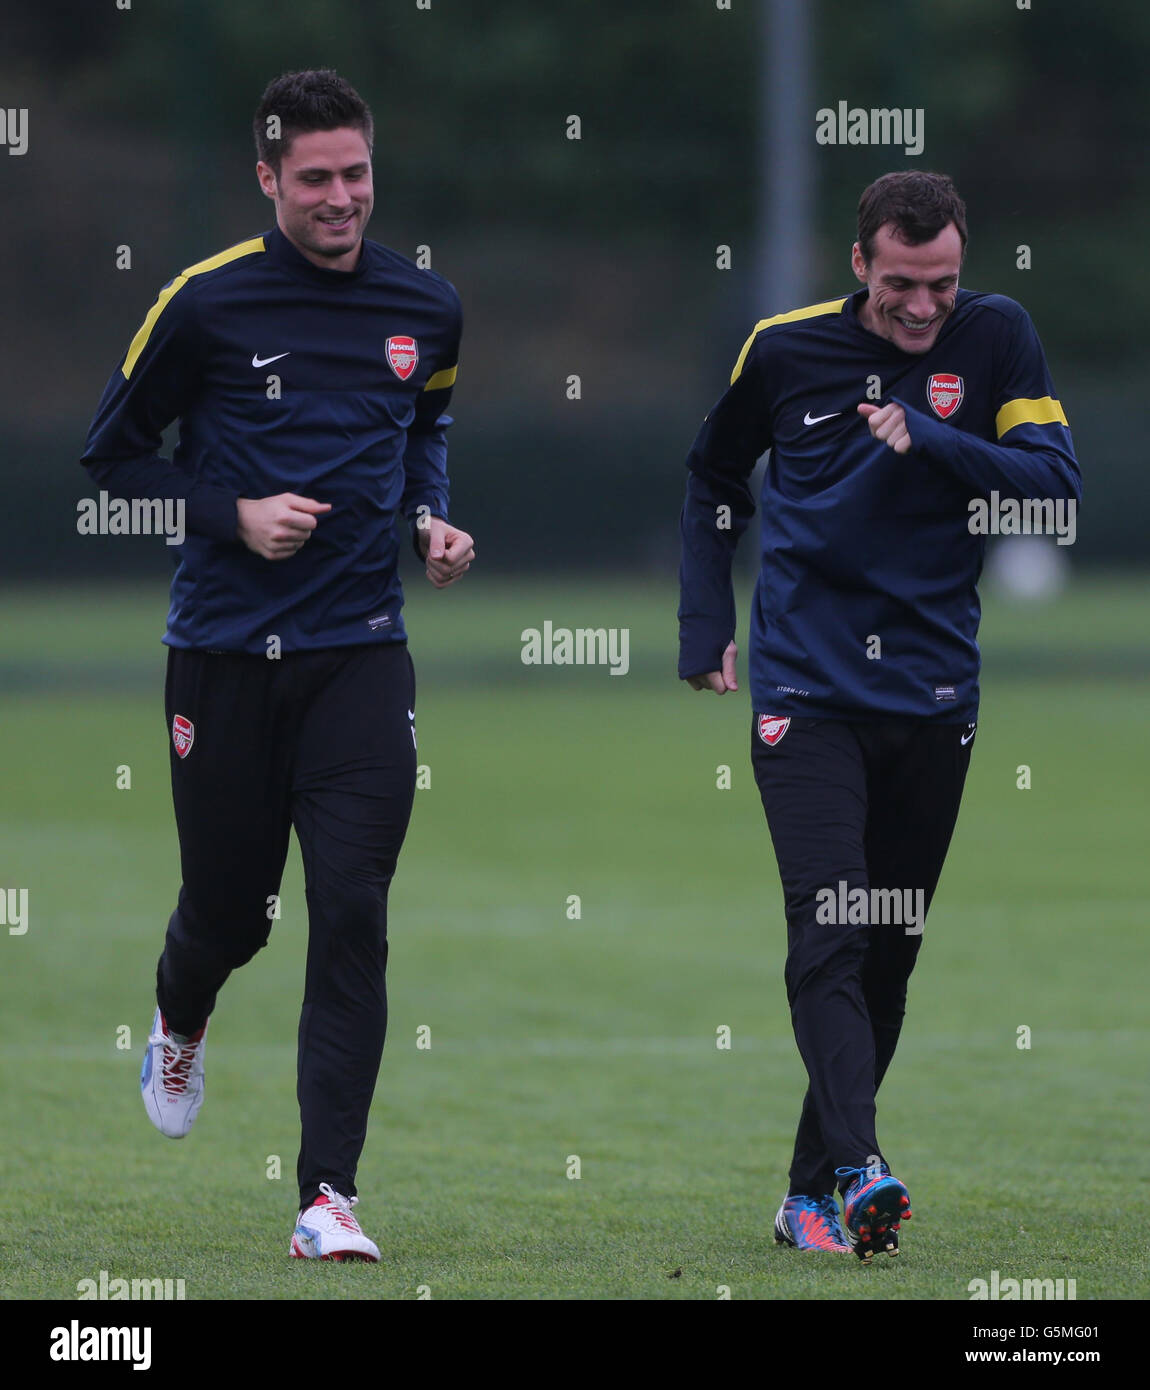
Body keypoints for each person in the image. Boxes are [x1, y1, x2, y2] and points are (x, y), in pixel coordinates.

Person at [80, 68, 475, 1262]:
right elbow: (111, 458)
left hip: (360, 655)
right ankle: (178, 1012)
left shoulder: (428, 306)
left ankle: (326, 1196)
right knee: (231, 913)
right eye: (316, 179)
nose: (343, 198)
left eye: (357, 174)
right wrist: (233, 514)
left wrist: (431, 520)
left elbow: (426, 435)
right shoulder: (201, 304)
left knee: (351, 909)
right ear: (268, 179)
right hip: (223, 660)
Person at [677, 171, 1079, 1261]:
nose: (920, 306)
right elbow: (715, 477)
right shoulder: (784, 349)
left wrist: (929, 438)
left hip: (934, 694)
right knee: (831, 925)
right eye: (901, 283)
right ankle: (861, 1168)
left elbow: (1054, 487)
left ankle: (809, 1188)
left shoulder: (996, 338)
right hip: (805, 692)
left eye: (940, 283)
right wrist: (703, 617)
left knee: (889, 953)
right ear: (859, 265)